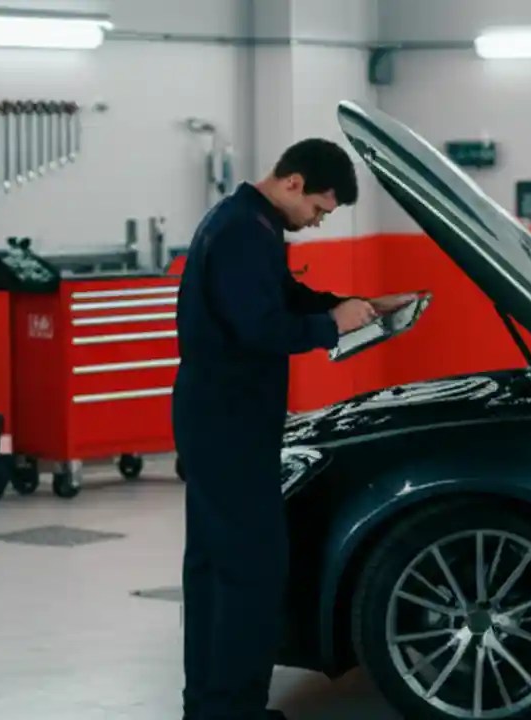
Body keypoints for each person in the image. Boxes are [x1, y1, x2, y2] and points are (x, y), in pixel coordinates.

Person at [173, 138, 414, 720]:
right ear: (294, 183)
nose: (317, 222)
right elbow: (260, 327)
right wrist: (332, 325)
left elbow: (286, 298)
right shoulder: (241, 234)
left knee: (215, 568)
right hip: (227, 423)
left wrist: (356, 306)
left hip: (219, 417)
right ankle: (233, 710)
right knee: (249, 570)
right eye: (319, 210)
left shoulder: (250, 224)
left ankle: (211, 706)